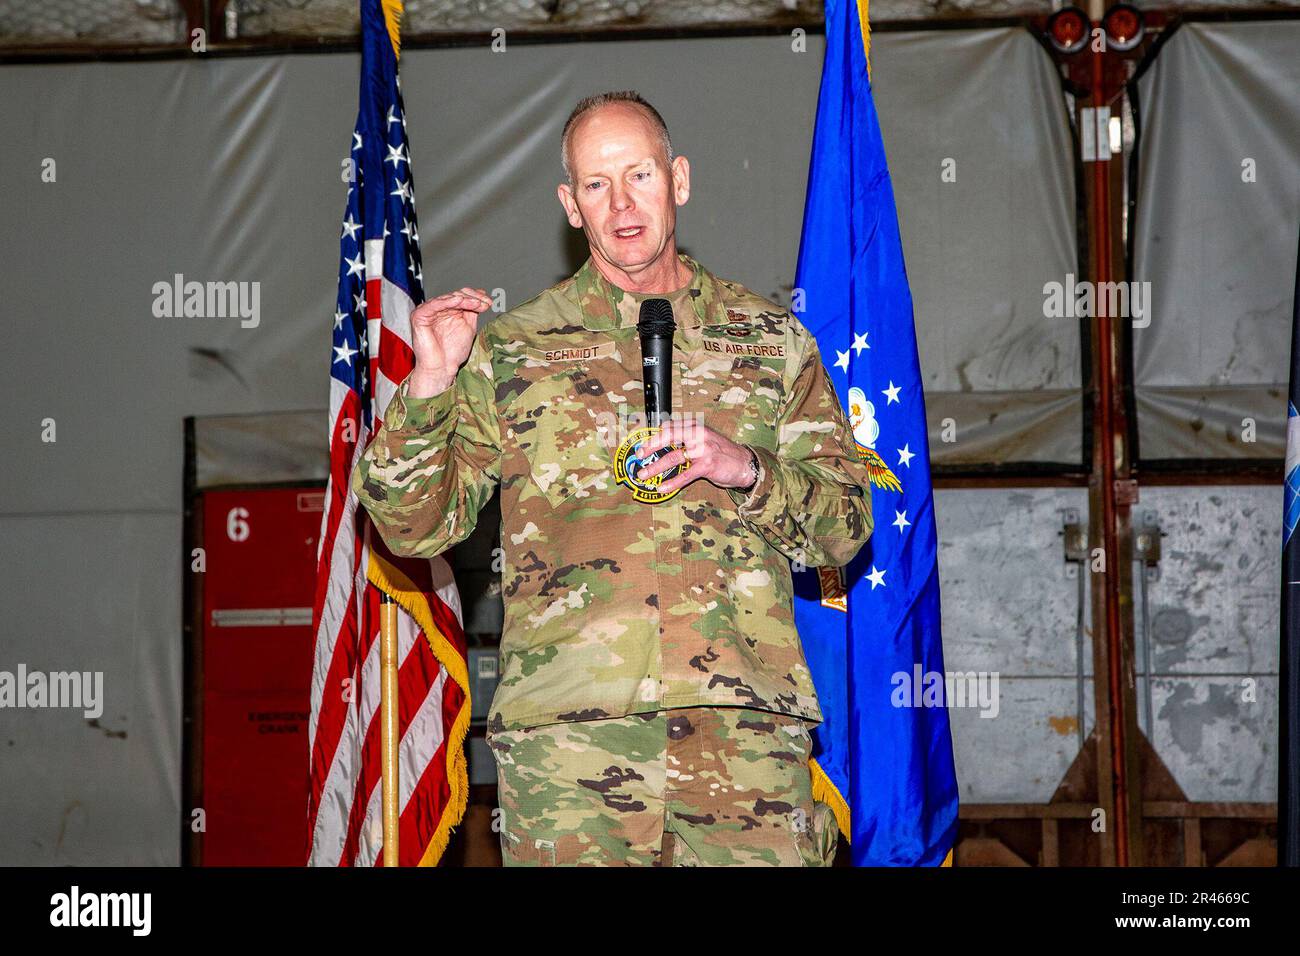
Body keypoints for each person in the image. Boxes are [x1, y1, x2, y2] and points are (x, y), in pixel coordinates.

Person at [352, 90, 873, 866]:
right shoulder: (515, 350)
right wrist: (428, 382)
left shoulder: (770, 341)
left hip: (742, 739)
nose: (622, 204)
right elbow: (413, 524)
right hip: (571, 749)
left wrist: (746, 469)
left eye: (640, 175)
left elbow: (844, 527)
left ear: (680, 180)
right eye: (596, 184)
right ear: (570, 204)